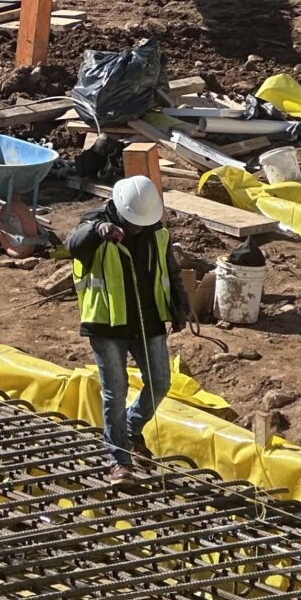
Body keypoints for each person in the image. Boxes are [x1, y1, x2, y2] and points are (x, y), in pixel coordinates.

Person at [65, 174, 186, 480]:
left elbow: (169, 270)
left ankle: (131, 429)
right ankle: (119, 459)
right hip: (107, 324)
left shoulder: (156, 231)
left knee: (160, 382)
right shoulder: (94, 224)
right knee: (115, 392)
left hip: (148, 320)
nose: (137, 228)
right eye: (133, 223)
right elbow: (73, 245)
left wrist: (179, 305)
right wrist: (96, 231)